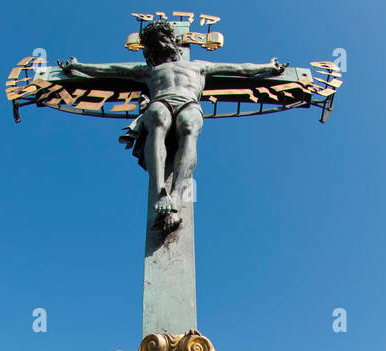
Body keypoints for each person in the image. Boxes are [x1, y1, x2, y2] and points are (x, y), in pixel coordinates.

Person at [60, 19, 287, 230]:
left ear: (172, 42)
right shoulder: (148, 71)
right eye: (154, 42)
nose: (161, 44)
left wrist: (268, 67)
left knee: (189, 126)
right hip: (161, 100)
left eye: (163, 39)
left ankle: (176, 195)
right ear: (150, 50)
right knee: (157, 118)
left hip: (189, 102)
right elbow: (111, 70)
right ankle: (161, 191)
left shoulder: (199, 66)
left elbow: (239, 69)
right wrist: (79, 67)